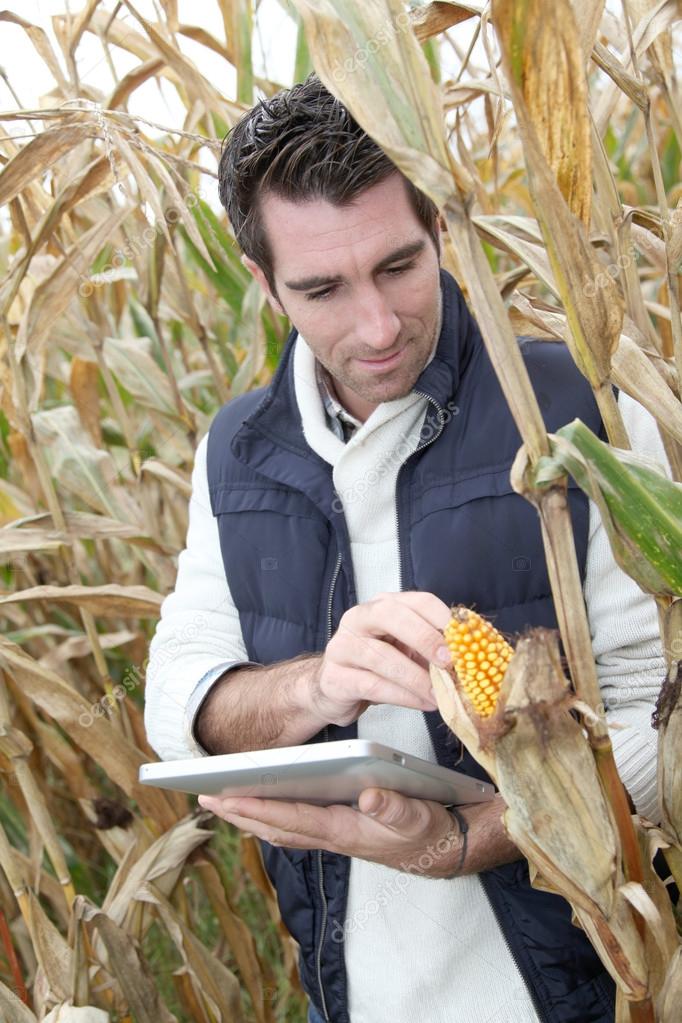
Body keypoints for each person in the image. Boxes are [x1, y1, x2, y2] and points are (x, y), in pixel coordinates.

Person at [144, 73, 666, 1023]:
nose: (377, 327)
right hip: (351, 996)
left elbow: (660, 714)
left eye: (398, 266)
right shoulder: (236, 453)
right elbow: (183, 697)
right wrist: (317, 685)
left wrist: (473, 838)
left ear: (438, 228)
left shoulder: (583, 410)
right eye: (322, 289)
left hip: (588, 989)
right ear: (263, 282)